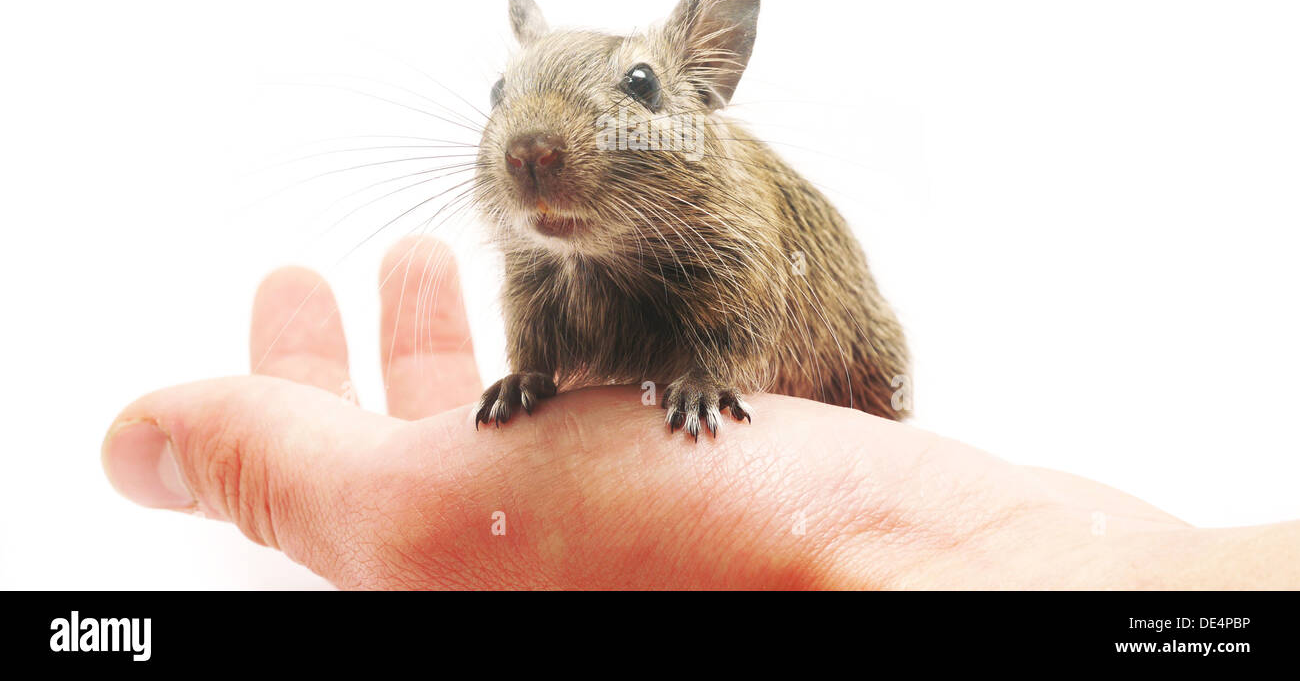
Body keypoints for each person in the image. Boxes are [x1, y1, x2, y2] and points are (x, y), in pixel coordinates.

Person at [101, 237, 1298, 589]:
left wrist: (971, 551)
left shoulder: (720, 218)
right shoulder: (543, 255)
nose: (538, 147)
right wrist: (533, 378)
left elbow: (742, 303)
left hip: (828, 373)